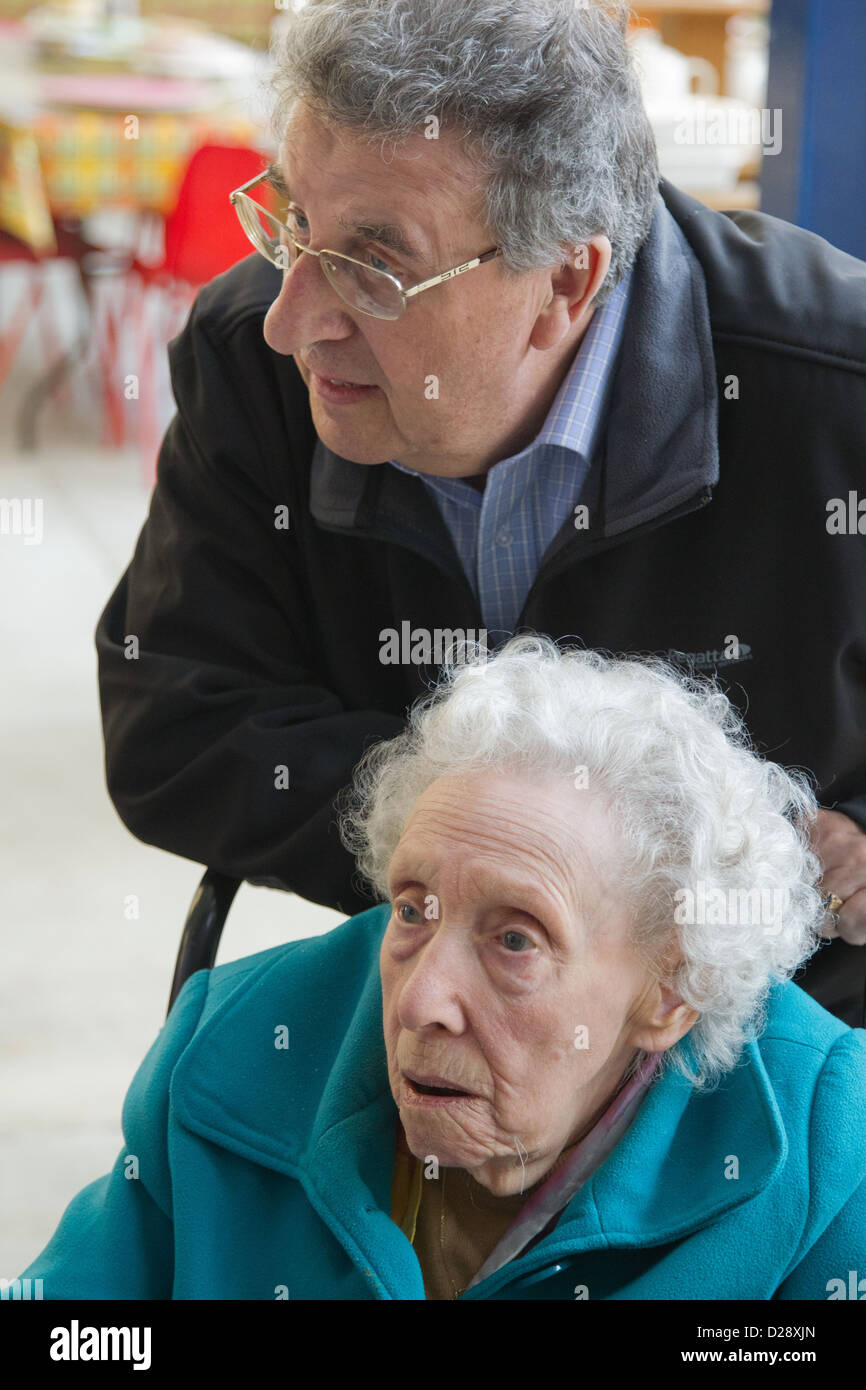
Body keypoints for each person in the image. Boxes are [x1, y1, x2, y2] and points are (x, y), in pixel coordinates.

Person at [94, 0, 866, 1023]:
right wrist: (527, 860)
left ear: (565, 279)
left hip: (783, 1041)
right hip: (429, 1020)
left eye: (372, 267)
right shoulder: (253, 358)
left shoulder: (833, 390)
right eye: (290, 226)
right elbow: (173, 721)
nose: (293, 321)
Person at [20, 638, 866, 1299]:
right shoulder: (233, 1050)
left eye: (515, 941)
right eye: (414, 909)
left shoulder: (826, 1149)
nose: (421, 999)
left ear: (672, 992)